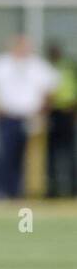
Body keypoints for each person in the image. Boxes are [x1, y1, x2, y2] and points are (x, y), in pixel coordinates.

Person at [0, 34, 58, 198]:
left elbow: (51, 89)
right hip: (7, 117)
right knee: (5, 153)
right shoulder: (1, 63)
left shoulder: (38, 65)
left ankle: (23, 191)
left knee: (29, 157)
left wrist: (42, 112)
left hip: (30, 117)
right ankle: (2, 190)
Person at [45, 42, 76, 198]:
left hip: (66, 111)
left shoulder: (68, 66)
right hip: (52, 113)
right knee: (51, 153)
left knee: (68, 152)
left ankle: (72, 187)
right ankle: (52, 188)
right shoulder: (46, 68)